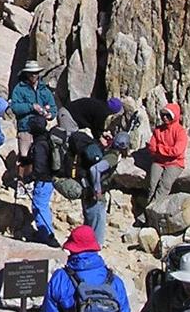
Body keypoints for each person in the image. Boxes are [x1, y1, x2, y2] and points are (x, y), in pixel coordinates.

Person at [19, 114, 58, 246]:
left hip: (43, 180)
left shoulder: (40, 144)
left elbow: (39, 167)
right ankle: (46, 233)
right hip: (48, 179)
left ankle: (46, 236)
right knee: (43, 206)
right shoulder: (45, 139)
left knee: (39, 207)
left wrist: (27, 178)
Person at [68, 128, 111, 246]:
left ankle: (86, 243)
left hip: (85, 187)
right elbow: (95, 169)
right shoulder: (92, 148)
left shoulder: (78, 152)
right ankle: (95, 246)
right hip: (95, 191)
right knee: (97, 219)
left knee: (88, 217)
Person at [9, 60, 56, 157]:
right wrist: (31, 107)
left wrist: (50, 114)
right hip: (26, 128)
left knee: (41, 158)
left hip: (41, 129)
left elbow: (53, 107)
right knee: (24, 158)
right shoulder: (19, 89)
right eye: (31, 73)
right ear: (26, 73)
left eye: (36, 73)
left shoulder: (44, 89)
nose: (33, 75)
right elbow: (15, 107)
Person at [146, 102, 189, 206]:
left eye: (168, 115)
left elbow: (177, 151)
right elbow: (151, 147)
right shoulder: (158, 130)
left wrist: (160, 149)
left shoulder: (180, 131)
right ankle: (148, 208)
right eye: (163, 115)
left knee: (164, 185)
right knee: (152, 185)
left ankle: (153, 209)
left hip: (175, 163)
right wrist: (163, 151)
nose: (165, 117)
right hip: (159, 161)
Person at [59, 96, 123, 138]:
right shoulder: (103, 112)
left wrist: (102, 133)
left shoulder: (101, 106)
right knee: (67, 143)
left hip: (66, 114)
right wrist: (100, 137)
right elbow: (95, 128)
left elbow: (94, 125)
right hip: (68, 117)